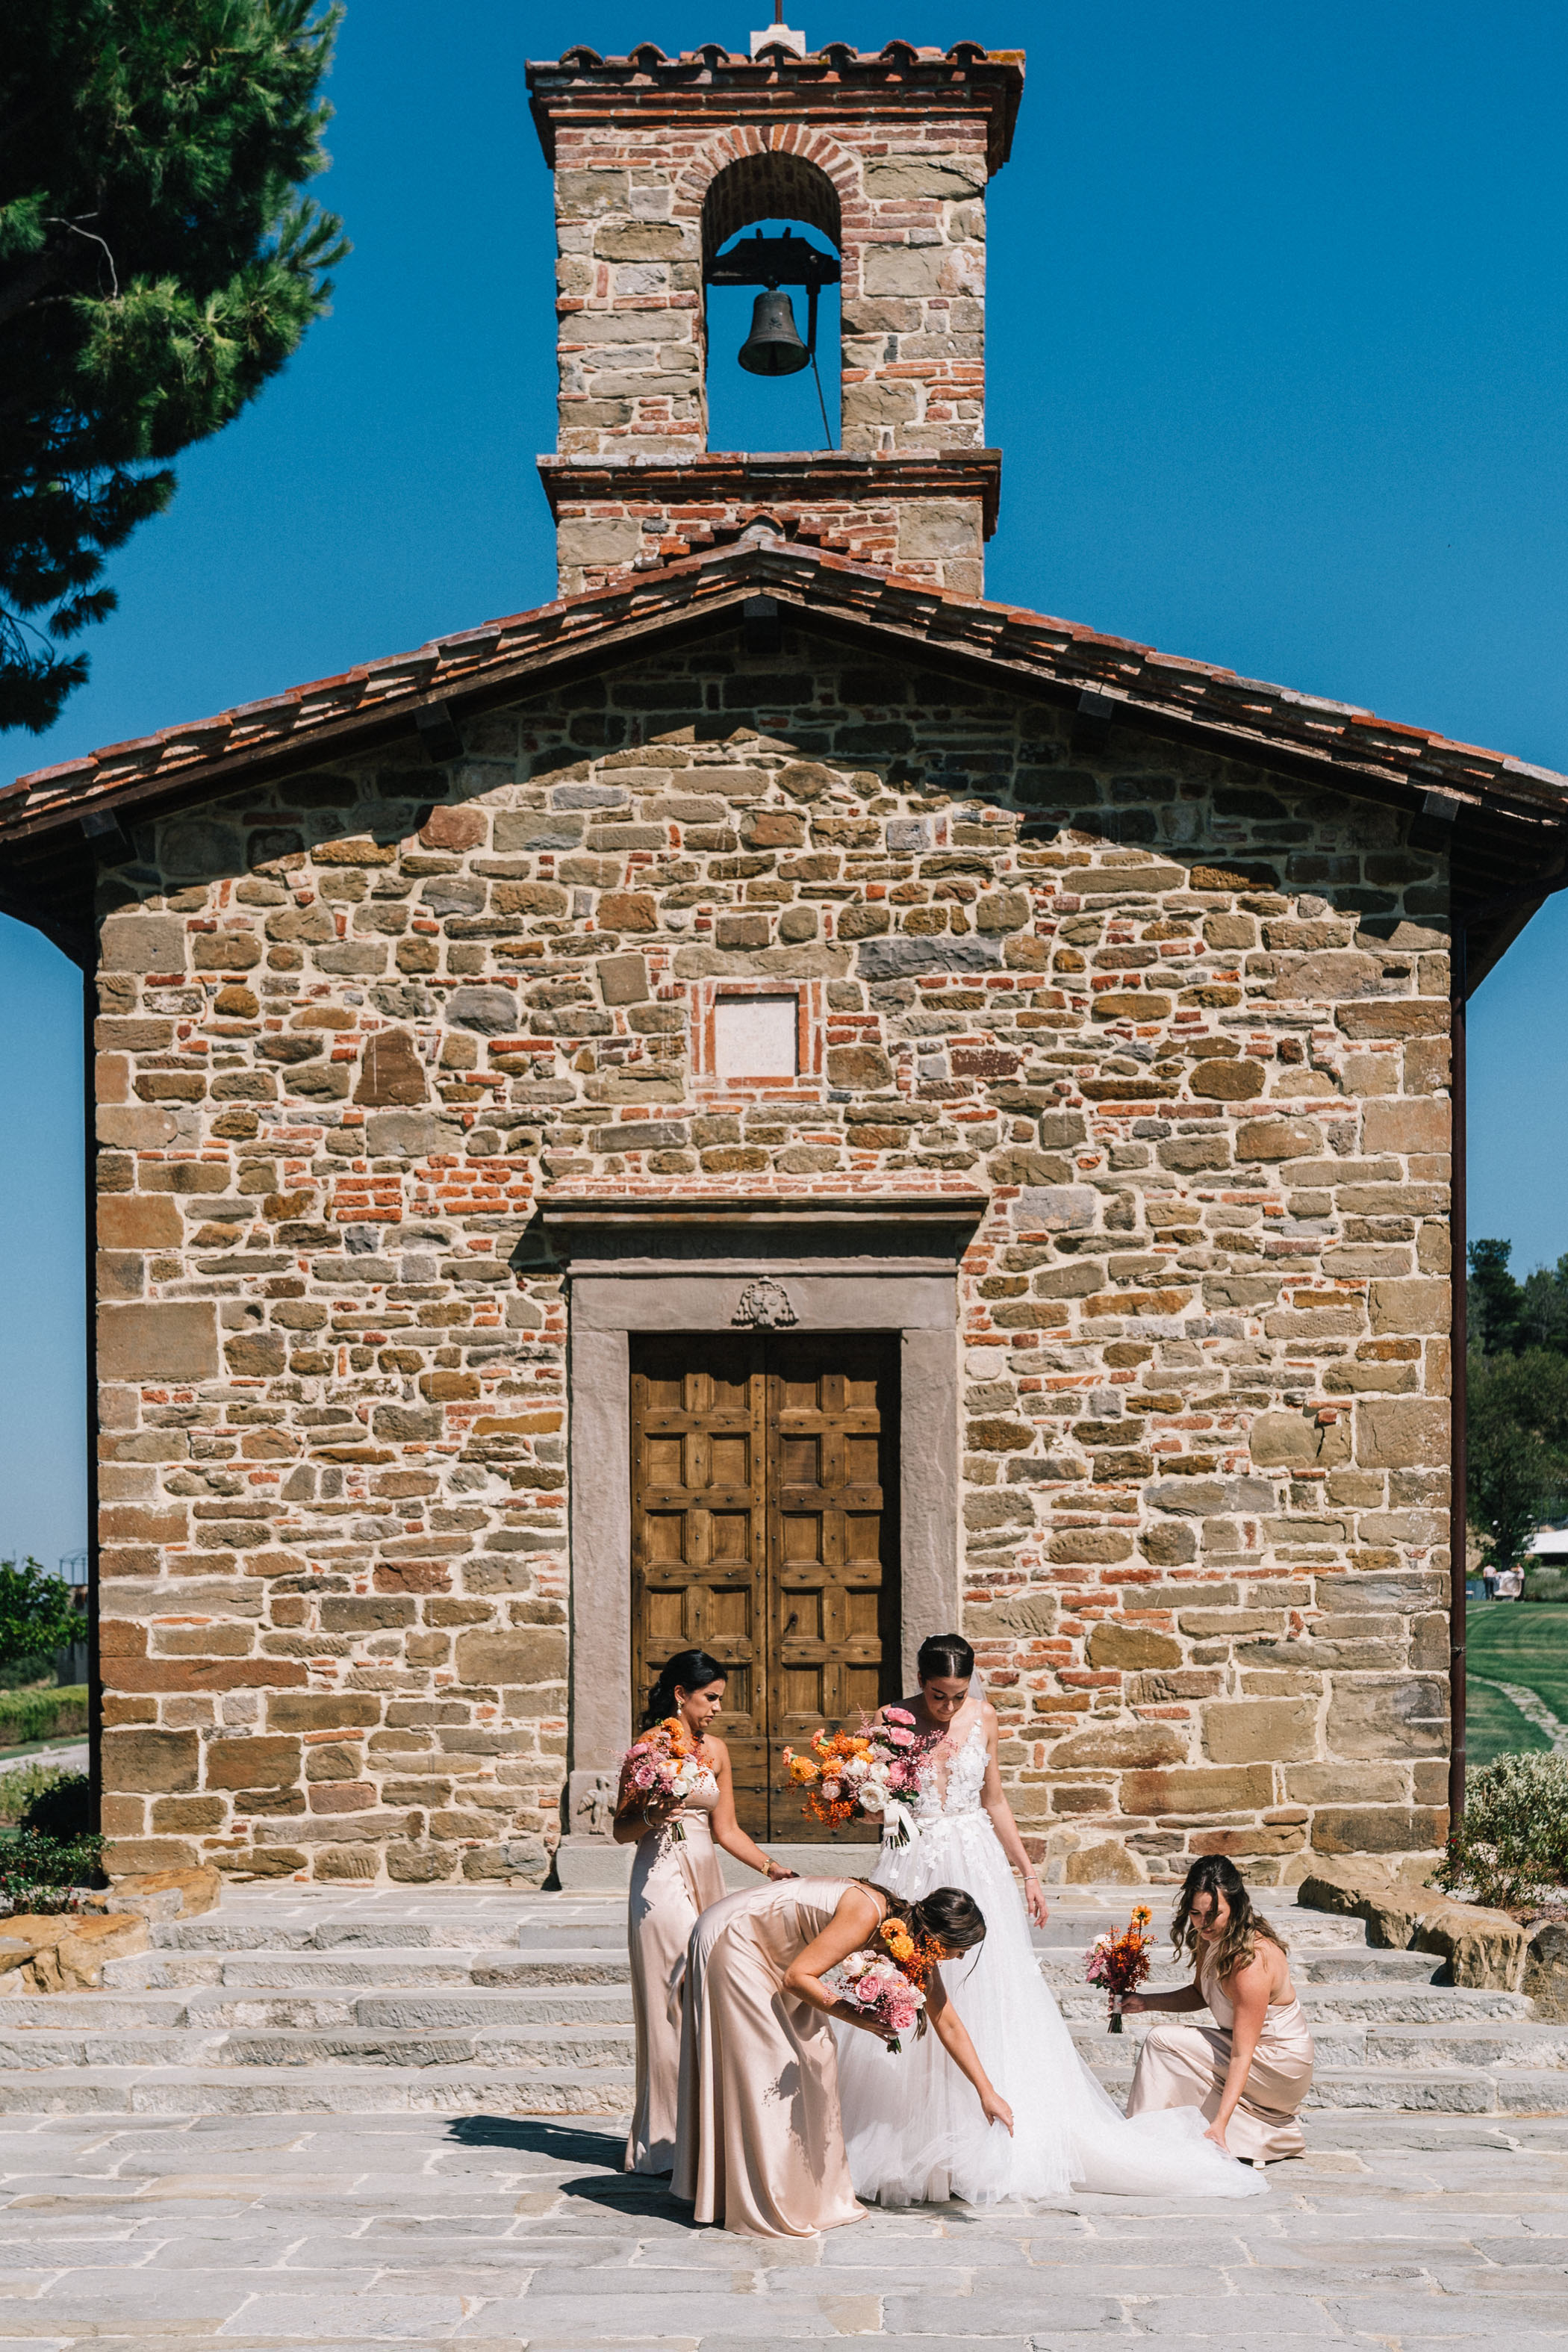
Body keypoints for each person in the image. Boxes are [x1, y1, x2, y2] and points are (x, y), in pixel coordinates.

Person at [834, 1632, 1266, 2203]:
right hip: (911, 1860)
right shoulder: (891, 1720)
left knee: (986, 1987)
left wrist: (1028, 1872)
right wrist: (868, 1807)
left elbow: (994, 1800)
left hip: (976, 1863)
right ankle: (903, 2139)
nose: (948, 1706)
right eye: (938, 1695)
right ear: (919, 1682)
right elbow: (865, 1803)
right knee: (907, 1979)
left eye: (958, 1695)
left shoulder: (984, 1717)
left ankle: (985, 2129)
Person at [673, 1876, 1011, 2239]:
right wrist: (857, 2017)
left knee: (818, 2054)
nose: (959, 1958)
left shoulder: (909, 1944)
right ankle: (764, 2198)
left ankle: (796, 2191)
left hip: (778, 1952)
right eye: (959, 1950)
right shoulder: (867, 1914)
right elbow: (797, 1977)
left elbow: (948, 2022)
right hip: (736, 1937)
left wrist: (986, 2092)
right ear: (936, 1937)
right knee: (769, 2063)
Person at [615, 1648, 793, 2175]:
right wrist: (654, 1813)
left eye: (719, 1699)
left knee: (705, 1998)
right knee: (668, 2001)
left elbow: (727, 1829)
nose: (717, 1708)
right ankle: (664, 2142)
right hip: (660, 1879)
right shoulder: (647, 1749)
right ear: (680, 1694)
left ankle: (705, 2136)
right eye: (710, 1698)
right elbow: (621, 1830)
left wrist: (770, 1867)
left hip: (705, 1877)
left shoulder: (716, 1750)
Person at [1124, 1853, 1315, 2165]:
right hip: (1249, 2053)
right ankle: (1157, 2133)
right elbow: (1200, 1994)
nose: (1204, 1923)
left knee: (1162, 2040)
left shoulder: (1250, 1962)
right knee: (1169, 2049)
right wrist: (1146, 2002)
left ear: (1236, 1906)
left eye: (1213, 1914)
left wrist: (1221, 2125)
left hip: (1279, 2064)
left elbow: (1241, 2053)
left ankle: (1146, 2139)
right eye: (1196, 1913)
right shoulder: (1210, 1938)